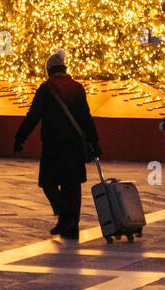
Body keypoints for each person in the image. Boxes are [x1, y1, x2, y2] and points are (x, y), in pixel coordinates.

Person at [13, 51, 100, 239]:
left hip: (53, 144)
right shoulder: (77, 88)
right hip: (75, 144)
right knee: (73, 185)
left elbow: (33, 117)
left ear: (49, 70)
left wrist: (19, 138)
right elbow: (86, 118)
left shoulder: (46, 88)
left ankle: (64, 216)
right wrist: (95, 142)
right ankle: (71, 225)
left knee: (48, 182)